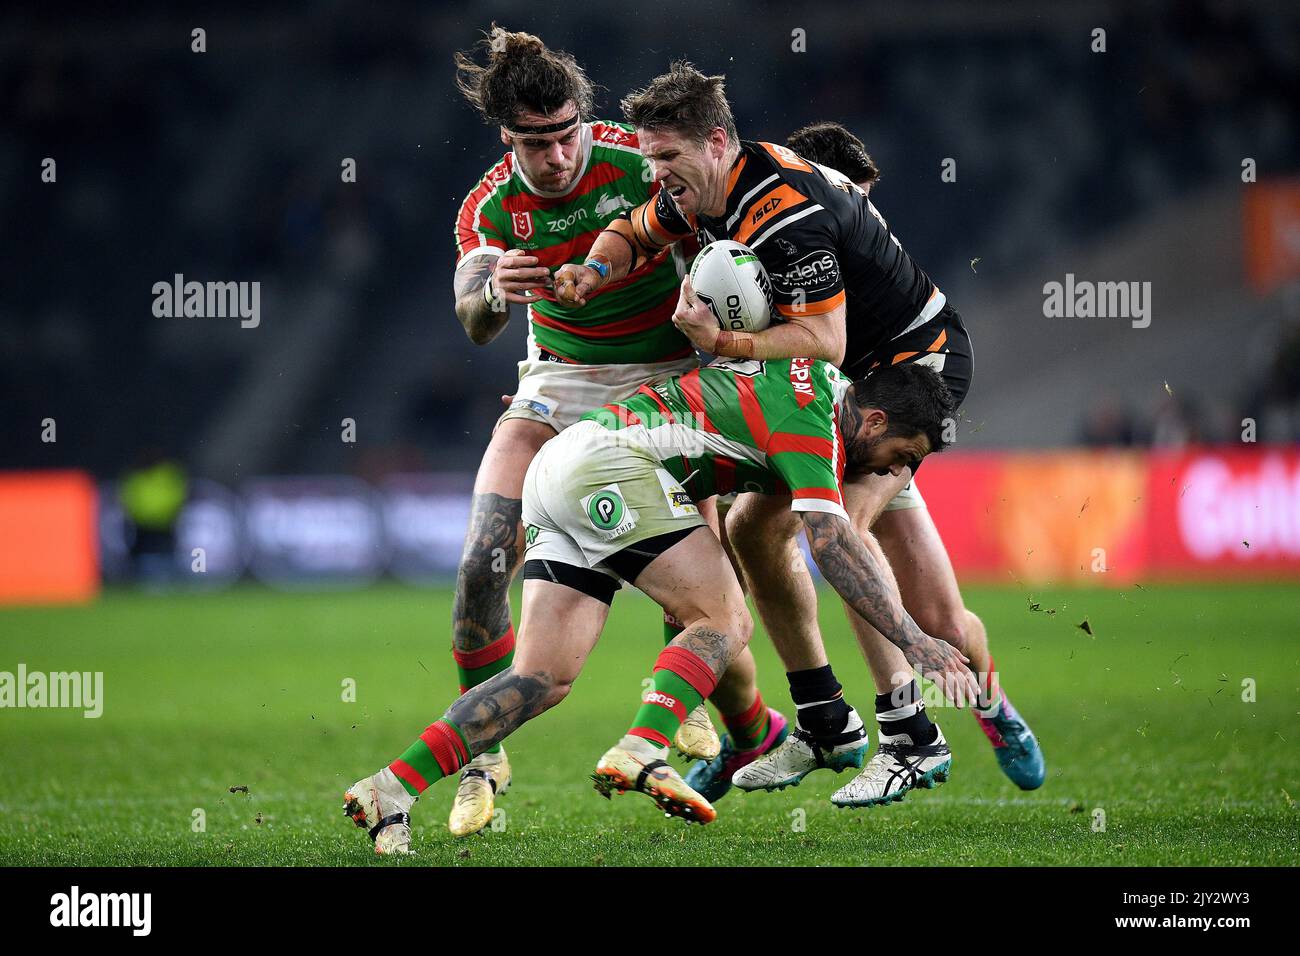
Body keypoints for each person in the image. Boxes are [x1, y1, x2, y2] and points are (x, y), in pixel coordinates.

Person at [556, 63, 1038, 808]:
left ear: (716, 143)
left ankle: (918, 733)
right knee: (754, 531)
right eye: (650, 160)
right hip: (838, 381)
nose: (656, 177)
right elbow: (634, 232)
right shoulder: (702, 193)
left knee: (840, 532)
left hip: (912, 366)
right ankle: (824, 720)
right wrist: (592, 271)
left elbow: (825, 340)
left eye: (667, 159)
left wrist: (723, 344)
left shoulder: (782, 214)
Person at [344, 360, 974, 853]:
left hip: (563, 466)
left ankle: (390, 788)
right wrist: (915, 641)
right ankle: (644, 747)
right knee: (725, 617)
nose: (903, 473)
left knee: (543, 677)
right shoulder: (815, 428)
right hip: (612, 466)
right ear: (874, 423)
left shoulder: (814, 381)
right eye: (906, 458)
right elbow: (834, 544)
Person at [445, 30, 781, 836]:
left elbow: (725, 235)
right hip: (561, 383)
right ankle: (483, 757)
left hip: (668, 381)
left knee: (709, 581)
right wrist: (495, 291)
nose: (559, 156)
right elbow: (472, 319)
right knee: (482, 560)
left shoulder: (639, 159)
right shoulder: (490, 206)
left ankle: (723, 720)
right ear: (506, 139)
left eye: (568, 134)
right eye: (537, 143)